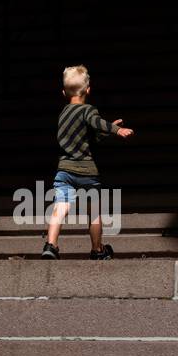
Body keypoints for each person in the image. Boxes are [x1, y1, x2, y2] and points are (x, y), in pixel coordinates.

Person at [42, 64, 133, 259]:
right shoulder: (88, 110)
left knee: (60, 207)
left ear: (64, 92)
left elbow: (88, 139)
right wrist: (115, 130)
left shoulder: (63, 114)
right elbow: (96, 122)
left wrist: (106, 130)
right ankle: (97, 250)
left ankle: (50, 245)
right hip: (87, 173)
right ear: (88, 90)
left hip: (65, 171)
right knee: (94, 213)